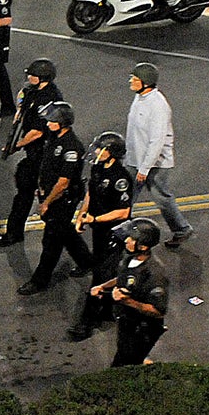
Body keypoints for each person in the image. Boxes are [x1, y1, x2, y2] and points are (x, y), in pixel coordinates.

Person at [16, 102, 96, 296]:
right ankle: (86, 262)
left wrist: (46, 203)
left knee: (51, 242)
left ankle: (39, 280)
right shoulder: (54, 137)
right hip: (51, 194)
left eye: (52, 120)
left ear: (62, 123)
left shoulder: (71, 148)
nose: (48, 123)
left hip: (62, 199)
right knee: (64, 231)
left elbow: (63, 183)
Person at [68, 131, 135, 342]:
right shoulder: (97, 168)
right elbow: (90, 192)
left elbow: (123, 212)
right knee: (103, 269)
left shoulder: (120, 178)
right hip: (98, 231)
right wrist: (82, 214)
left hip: (113, 234)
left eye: (101, 149)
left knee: (100, 276)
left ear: (111, 153)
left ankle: (86, 321)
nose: (96, 151)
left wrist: (94, 220)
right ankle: (107, 310)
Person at [125, 62, 194, 248]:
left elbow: (156, 140)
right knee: (124, 196)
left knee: (161, 198)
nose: (130, 81)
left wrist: (145, 168)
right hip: (134, 159)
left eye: (135, 79)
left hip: (153, 164)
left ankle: (181, 229)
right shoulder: (140, 98)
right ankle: (123, 232)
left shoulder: (158, 106)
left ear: (145, 83)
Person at [0, 58, 63, 247]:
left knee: (44, 199)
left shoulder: (50, 99)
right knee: (24, 193)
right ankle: (14, 232)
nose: (28, 76)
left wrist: (16, 146)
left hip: (44, 155)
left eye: (32, 75)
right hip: (33, 154)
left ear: (43, 78)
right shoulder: (33, 90)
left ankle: (60, 234)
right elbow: (22, 105)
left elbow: (38, 131)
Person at [88, 218, 168, 366]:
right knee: (128, 352)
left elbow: (158, 311)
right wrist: (104, 286)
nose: (126, 240)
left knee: (123, 364)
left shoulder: (155, 274)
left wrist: (127, 301)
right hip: (126, 320)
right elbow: (124, 276)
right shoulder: (131, 257)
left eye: (131, 238)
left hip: (142, 328)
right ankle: (140, 359)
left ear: (143, 246)